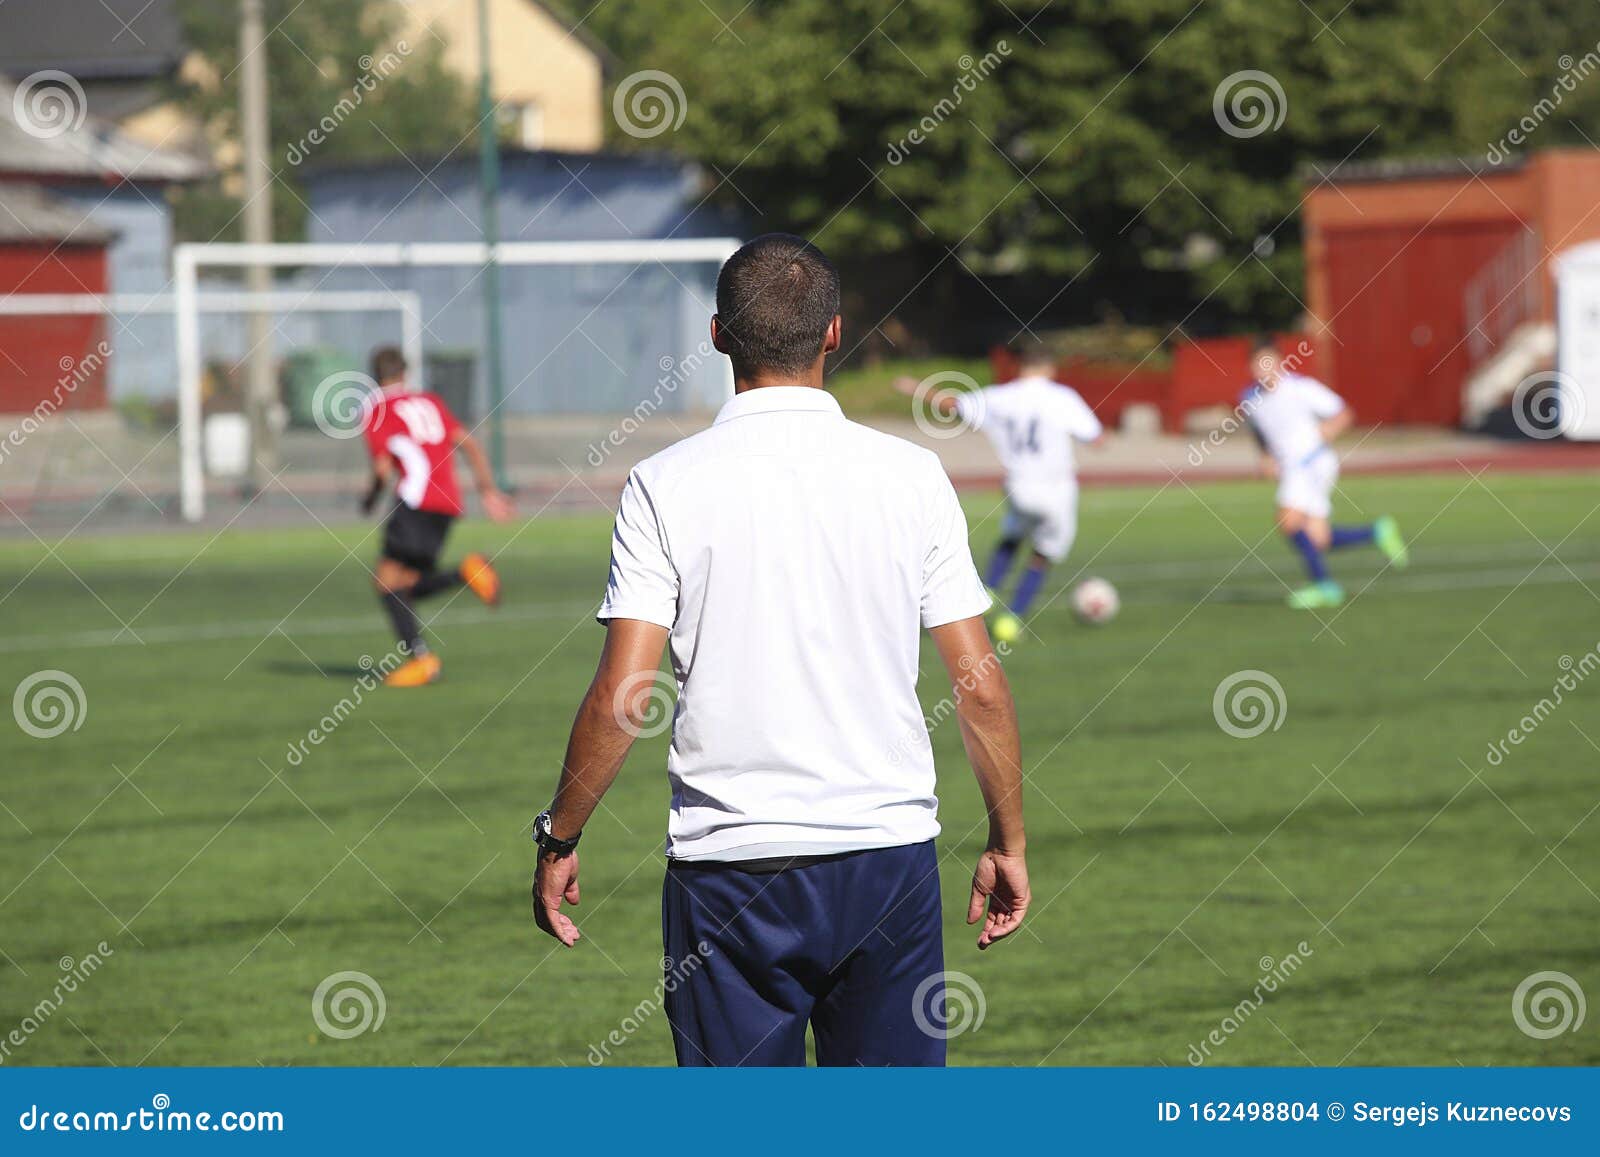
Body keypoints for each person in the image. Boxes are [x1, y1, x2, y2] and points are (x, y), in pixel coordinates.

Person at [529, 234, 1029, 1067]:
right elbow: (977, 685)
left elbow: (626, 696)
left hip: (728, 867)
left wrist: (559, 837)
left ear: (719, 335)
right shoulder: (911, 475)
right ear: (835, 333)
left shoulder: (664, 480)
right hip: (886, 857)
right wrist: (1007, 839)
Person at [896, 338, 1103, 643]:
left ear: (1020, 366)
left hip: (1019, 486)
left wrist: (916, 388)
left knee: (1012, 537)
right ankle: (1013, 619)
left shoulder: (1001, 396)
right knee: (1042, 554)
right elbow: (1094, 437)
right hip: (1057, 490)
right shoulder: (1063, 397)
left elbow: (952, 405)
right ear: (1049, 367)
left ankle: (985, 591)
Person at [359, 347, 514, 686]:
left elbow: (383, 469)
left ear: (374, 375)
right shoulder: (430, 401)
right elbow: (469, 444)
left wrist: (369, 499)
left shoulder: (377, 408)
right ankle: (467, 573)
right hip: (447, 503)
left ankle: (422, 659)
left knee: (386, 581)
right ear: (405, 372)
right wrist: (487, 490)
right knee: (406, 586)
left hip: (415, 499)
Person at [1241, 338, 1408, 609]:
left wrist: (1328, 430)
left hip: (1312, 464)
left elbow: (1343, 413)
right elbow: (1259, 431)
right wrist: (1265, 455)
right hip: (1294, 469)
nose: (1264, 369)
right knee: (1319, 538)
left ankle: (1324, 586)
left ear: (1280, 361)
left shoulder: (1300, 388)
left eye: (1268, 361)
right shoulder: (1250, 398)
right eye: (1258, 363)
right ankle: (1376, 532)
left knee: (1288, 520)